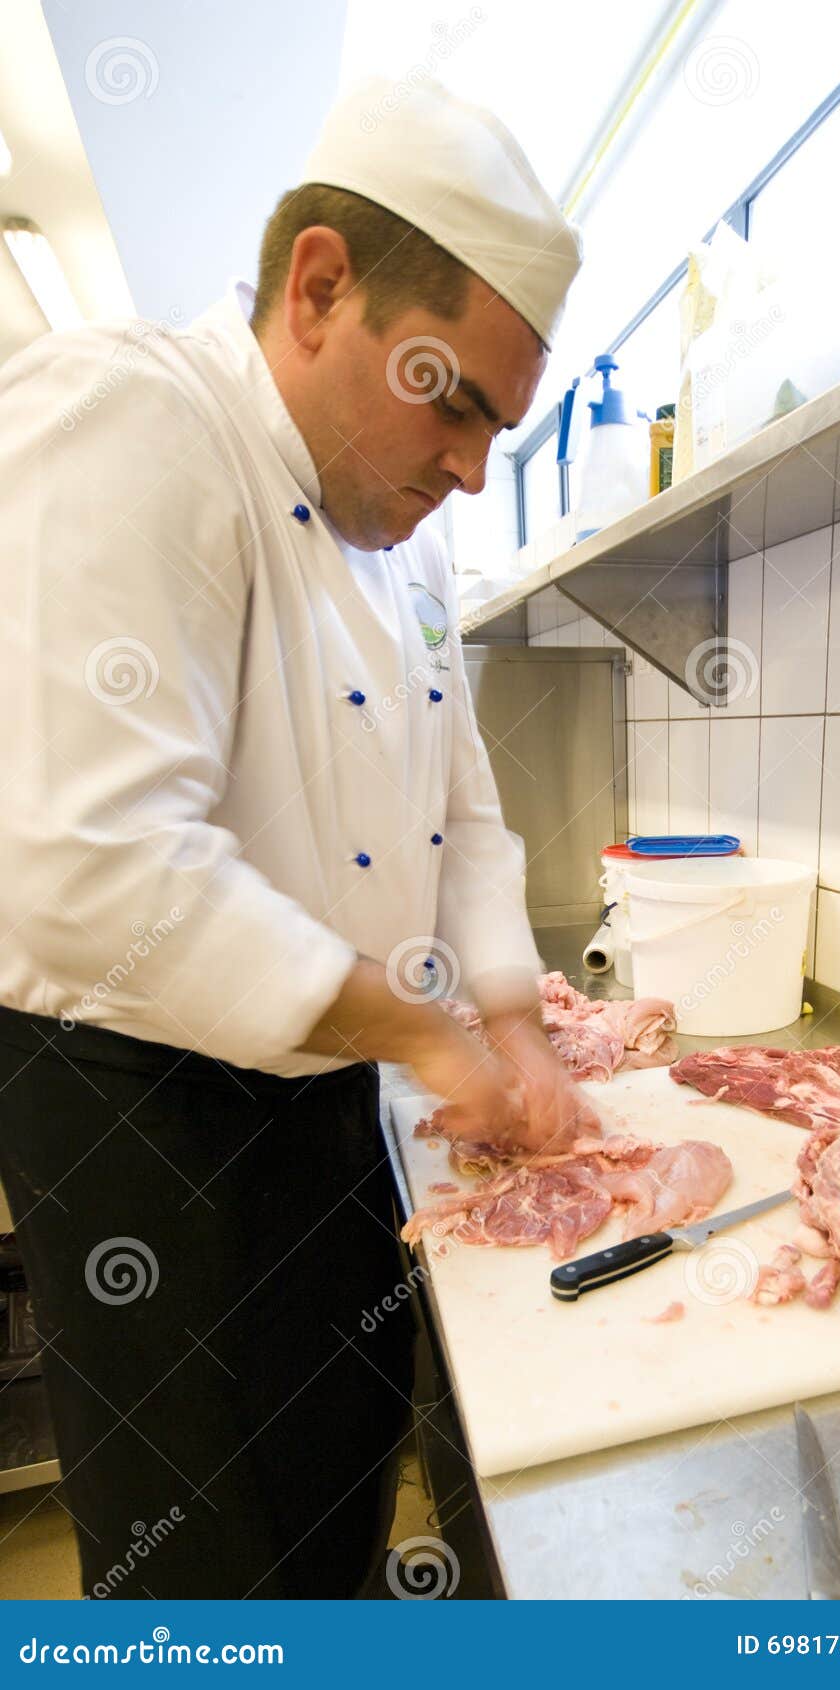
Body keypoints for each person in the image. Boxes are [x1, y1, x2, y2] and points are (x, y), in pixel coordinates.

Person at [0, 76, 588, 1598]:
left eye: (498, 427)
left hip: (327, 1105)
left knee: (328, 1505)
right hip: (153, 1132)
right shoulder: (131, 413)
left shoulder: (407, 545)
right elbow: (95, 864)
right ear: (319, 285)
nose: (471, 463)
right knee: (205, 1575)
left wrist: (511, 1025)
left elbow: (463, 812)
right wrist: (428, 1034)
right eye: (452, 396)